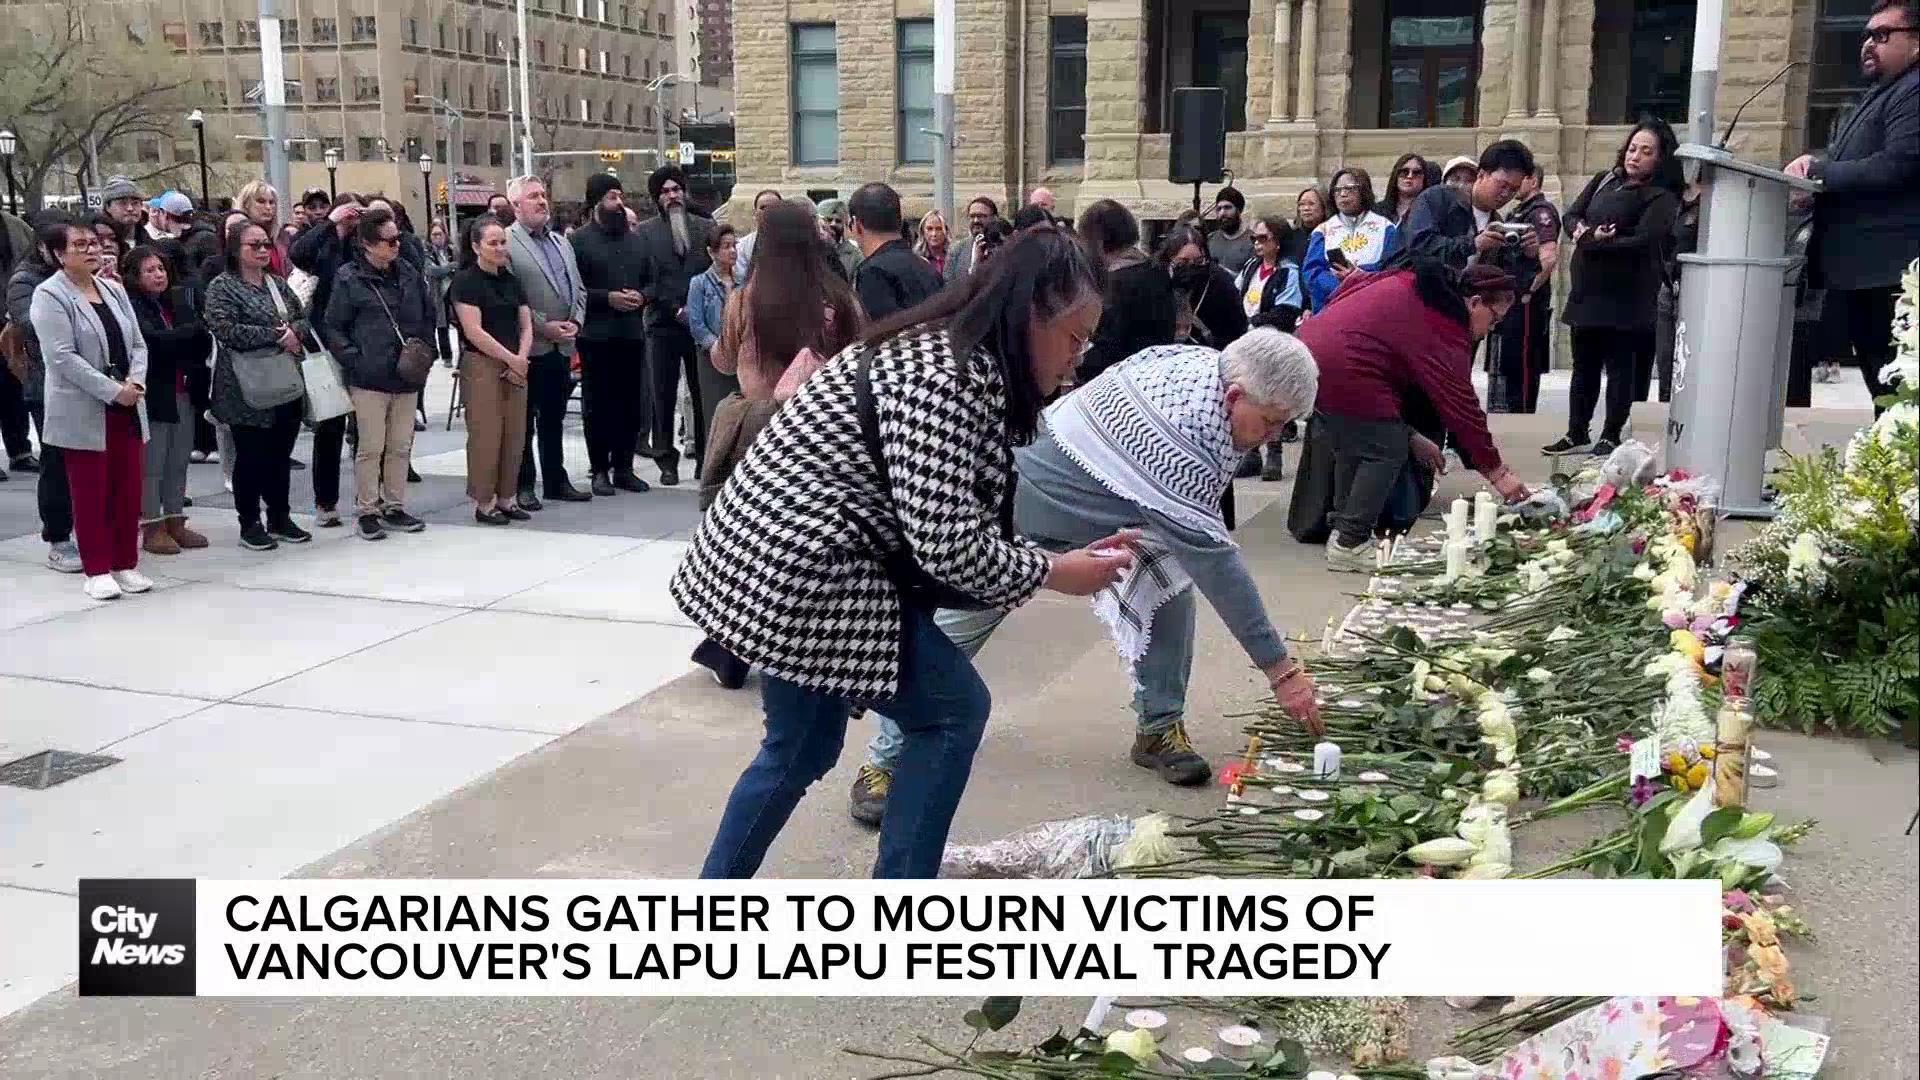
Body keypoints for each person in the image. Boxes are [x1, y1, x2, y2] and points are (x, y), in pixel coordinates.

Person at [671, 228, 1136, 880]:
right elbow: (950, 546)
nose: (1078, 358)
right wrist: (1058, 572)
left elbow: (946, 515)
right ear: (1031, 313)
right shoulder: (945, 374)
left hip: (788, 560)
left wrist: (1050, 556)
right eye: (1074, 337)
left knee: (797, 749)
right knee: (951, 711)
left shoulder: (951, 357)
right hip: (808, 571)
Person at [849, 327, 1327, 823]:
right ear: (1233, 396)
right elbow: (1219, 568)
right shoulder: (1180, 432)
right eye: (1271, 423)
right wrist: (1282, 671)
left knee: (1168, 594)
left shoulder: (1212, 372)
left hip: (1115, 506)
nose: (1274, 437)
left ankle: (1158, 727)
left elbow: (1198, 542)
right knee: (952, 632)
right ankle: (883, 760)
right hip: (1022, 511)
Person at [690, 201, 866, 689]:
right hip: (816, 433)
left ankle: (730, 644)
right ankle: (791, 644)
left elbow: (724, 362)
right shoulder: (839, 303)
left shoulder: (744, 300)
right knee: (804, 543)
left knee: (750, 541)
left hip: (754, 429)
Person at [1290, 260, 1531, 570]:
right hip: (1343, 363)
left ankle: (1344, 531)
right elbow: (1462, 407)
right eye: (1494, 319)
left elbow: (1351, 287)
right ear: (1474, 303)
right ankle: (1350, 542)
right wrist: (1498, 472)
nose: (1491, 328)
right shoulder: (1445, 323)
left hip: (1310, 348)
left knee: (1356, 443)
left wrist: (1412, 436)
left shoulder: (1410, 281)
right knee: (1384, 449)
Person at [1785, 0, 1919, 412]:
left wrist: (1822, 172)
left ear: (1915, 43)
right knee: (1886, 397)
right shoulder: (1880, 94)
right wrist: (1815, 186)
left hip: (1889, 274)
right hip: (1863, 274)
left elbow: (1899, 165)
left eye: (1882, 35)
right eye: (1866, 35)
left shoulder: (1913, 90)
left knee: (1898, 398)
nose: (1867, 44)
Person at [1542, 120, 1682, 457]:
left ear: (1660, 158)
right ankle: (1577, 431)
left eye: (1646, 152)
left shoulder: (1660, 196)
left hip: (1626, 296)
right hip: (1587, 292)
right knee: (1584, 366)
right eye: (1633, 148)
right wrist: (1588, 234)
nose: (1635, 156)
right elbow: (1571, 215)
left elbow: (1643, 241)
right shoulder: (1605, 179)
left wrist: (1596, 242)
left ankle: (1611, 434)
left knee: (1620, 368)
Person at [29, 220, 153, 600]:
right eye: (80, 244)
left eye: (94, 243)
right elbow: (62, 357)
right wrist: (113, 391)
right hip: (84, 408)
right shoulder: (49, 295)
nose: (91, 250)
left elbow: (138, 344)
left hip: (128, 406)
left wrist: (135, 384)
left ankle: (125, 563)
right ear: (58, 254)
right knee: (90, 492)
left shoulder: (114, 290)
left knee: (127, 488)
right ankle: (97, 568)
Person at [320, 208, 435, 540]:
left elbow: (427, 315)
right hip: (369, 376)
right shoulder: (348, 277)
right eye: (389, 240)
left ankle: (394, 505)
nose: (397, 245)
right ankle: (367, 509)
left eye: (398, 238)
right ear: (368, 244)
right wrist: (355, 360)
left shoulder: (409, 273)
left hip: (407, 373)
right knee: (371, 446)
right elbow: (334, 325)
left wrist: (426, 351)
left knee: (400, 445)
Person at [205, 218, 317, 551]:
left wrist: (295, 332)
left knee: (280, 455)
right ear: (234, 249)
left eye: (265, 244)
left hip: (284, 379)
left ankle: (279, 517)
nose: (262, 250)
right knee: (251, 455)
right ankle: (249, 522)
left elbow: (301, 317)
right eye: (253, 245)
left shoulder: (277, 284)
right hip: (244, 385)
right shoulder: (222, 286)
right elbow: (225, 329)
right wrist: (275, 336)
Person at [498, 176, 589, 507]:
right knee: (524, 422)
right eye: (533, 196)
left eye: (543, 195)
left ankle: (555, 479)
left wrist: (576, 321)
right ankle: (524, 484)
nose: (541, 201)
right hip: (529, 347)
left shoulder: (562, 242)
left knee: (553, 417)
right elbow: (508, 298)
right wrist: (542, 326)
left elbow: (578, 288)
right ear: (516, 206)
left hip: (561, 346)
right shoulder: (506, 243)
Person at [122, 245, 212, 556]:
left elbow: (201, 339)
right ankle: (152, 525)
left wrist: (187, 336)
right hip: (153, 395)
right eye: (149, 270)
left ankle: (176, 520)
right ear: (134, 276)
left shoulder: (176, 301)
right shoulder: (133, 305)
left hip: (183, 391)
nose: (158, 275)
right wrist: (189, 335)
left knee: (178, 461)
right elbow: (153, 343)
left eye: (160, 268)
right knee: (152, 464)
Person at [451, 214, 536, 526]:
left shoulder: (511, 280)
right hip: (482, 364)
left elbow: (525, 324)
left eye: (503, 242)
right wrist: (511, 359)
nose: (500, 248)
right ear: (476, 247)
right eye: (493, 243)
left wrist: (521, 358)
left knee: (515, 433)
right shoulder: (465, 282)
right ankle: (484, 502)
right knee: (487, 434)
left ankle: (507, 497)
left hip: (517, 362)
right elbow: (474, 331)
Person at [570, 173, 652, 495]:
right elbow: (574, 290)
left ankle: (624, 468)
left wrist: (642, 297)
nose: (618, 203)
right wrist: (607, 298)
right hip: (596, 337)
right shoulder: (578, 241)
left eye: (620, 196)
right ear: (596, 203)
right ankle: (599, 470)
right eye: (611, 197)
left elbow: (653, 281)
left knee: (630, 403)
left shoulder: (636, 239)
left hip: (631, 334)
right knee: (598, 405)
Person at [7, 220, 81, 571]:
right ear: (48, 249)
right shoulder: (26, 281)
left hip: (89, 382)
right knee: (57, 463)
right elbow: (34, 325)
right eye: (75, 246)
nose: (86, 252)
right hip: (47, 384)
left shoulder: (89, 280)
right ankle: (59, 536)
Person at [632, 165, 712, 485]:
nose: (672, 196)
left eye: (676, 189)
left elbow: (713, 274)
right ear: (657, 198)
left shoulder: (706, 228)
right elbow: (646, 280)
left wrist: (693, 311)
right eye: (665, 192)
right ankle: (666, 460)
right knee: (662, 396)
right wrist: (672, 307)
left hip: (699, 328)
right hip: (661, 326)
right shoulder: (645, 233)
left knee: (702, 393)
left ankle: (705, 457)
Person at [288, 194, 366, 522]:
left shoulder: (366, 244)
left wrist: (371, 220)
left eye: (355, 215)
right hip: (326, 341)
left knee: (367, 427)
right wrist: (330, 224)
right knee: (331, 423)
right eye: (347, 214)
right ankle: (326, 502)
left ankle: (371, 500)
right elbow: (298, 254)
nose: (351, 220)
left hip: (364, 344)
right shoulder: (322, 244)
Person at [1398, 139, 1538, 273]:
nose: (1506, 194)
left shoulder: (1498, 225)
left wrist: (1529, 257)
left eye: (1513, 190)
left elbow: (1511, 282)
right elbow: (1420, 247)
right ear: (1481, 174)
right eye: (1502, 185)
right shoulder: (1439, 199)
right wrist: (1473, 244)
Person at [1077, 199, 1176, 384]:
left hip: (1122, 385)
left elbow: (1106, 349)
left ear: (1096, 240)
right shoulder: (1156, 271)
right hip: (1156, 378)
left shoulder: (1116, 284)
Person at [1492, 166, 1563, 414]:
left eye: (1517, 181)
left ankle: (1521, 419)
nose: (1511, 186)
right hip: (1511, 299)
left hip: (1525, 303)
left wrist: (1527, 292)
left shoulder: (1540, 213)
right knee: (1510, 365)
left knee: (1522, 366)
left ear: (1532, 181)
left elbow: (1548, 257)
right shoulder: (1518, 212)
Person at [687, 221, 741, 476]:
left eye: (734, 246)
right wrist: (716, 346)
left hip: (741, 357)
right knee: (715, 412)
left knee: (739, 414)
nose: (732, 251)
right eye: (726, 247)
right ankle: (714, 472)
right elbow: (696, 323)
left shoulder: (743, 282)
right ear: (712, 251)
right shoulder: (700, 284)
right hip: (711, 357)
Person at [1301, 168, 1396, 311]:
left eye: (1350, 189)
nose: (1343, 194)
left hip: (1372, 303)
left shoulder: (1385, 227)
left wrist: (1357, 276)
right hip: (1333, 303)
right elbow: (1312, 273)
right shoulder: (1322, 231)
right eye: (1337, 190)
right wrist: (1341, 284)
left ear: (1363, 191)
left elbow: (1391, 268)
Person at [849, 182, 944, 321]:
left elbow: (881, 333)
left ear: (856, 224)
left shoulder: (873, 273)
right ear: (899, 221)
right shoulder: (927, 268)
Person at [1159, 224, 1248, 350]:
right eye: (1182, 262)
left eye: (1198, 261)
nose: (1191, 267)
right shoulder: (1156, 281)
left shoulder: (1220, 282)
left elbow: (1236, 330)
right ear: (1168, 259)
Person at [235, 181, 290, 275]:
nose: (268, 207)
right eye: (261, 201)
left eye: (272, 202)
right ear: (246, 204)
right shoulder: (236, 236)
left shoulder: (280, 236)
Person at [733, 188, 785, 280]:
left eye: (774, 207)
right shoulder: (742, 246)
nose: (768, 211)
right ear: (755, 213)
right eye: (763, 208)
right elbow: (740, 279)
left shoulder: (794, 243)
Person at [425, 218, 457, 367]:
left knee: (461, 322)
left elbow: (460, 266)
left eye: (440, 234)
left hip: (455, 290)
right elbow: (432, 271)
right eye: (434, 234)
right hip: (438, 292)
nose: (437, 237)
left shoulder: (452, 250)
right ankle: (446, 356)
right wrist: (450, 267)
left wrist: (448, 268)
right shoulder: (427, 251)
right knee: (442, 325)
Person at [947, 196, 999, 282]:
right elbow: (949, 285)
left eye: (981, 216)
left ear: (994, 218)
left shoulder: (1005, 247)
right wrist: (975, 264)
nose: (976, 220)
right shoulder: (957, 250)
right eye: (972, 216)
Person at [1204, 185, 1255, 270]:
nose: (1222, 213)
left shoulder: (1252, 241)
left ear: (1239, 210)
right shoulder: (1210, 240)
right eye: (1219, 209)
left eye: (1227, 208)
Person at [814, 198, 862, 277]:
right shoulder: (809, 250)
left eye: (838, 221)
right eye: (828, 220)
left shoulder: (855, 255)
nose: (833, 224)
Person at [1383, 153, 1436, 226]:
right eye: (1404, 171)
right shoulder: (1377, 211)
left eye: (1416, 172)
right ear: (1396, 176)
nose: (1409, 176)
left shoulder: (1433, 212)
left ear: (1424, 178)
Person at [97, 177, 146, 252]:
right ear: (107, 207)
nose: (130, 208)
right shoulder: (99, 245)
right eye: (123, 203)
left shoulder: (151, 243)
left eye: (135, 203)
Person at [1287, 187, 1327, 269]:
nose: (1306, 208)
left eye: (1311, 204)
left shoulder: (1332, 234)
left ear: (1323, 208)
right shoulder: (1290, 237)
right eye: (1302, 204)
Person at [912, 210, 954, 278]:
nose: (934, 234)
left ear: (945, 231)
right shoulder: (915, 260)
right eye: (929, 229)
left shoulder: (955, 256)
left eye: (939, 229)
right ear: (923, 232)